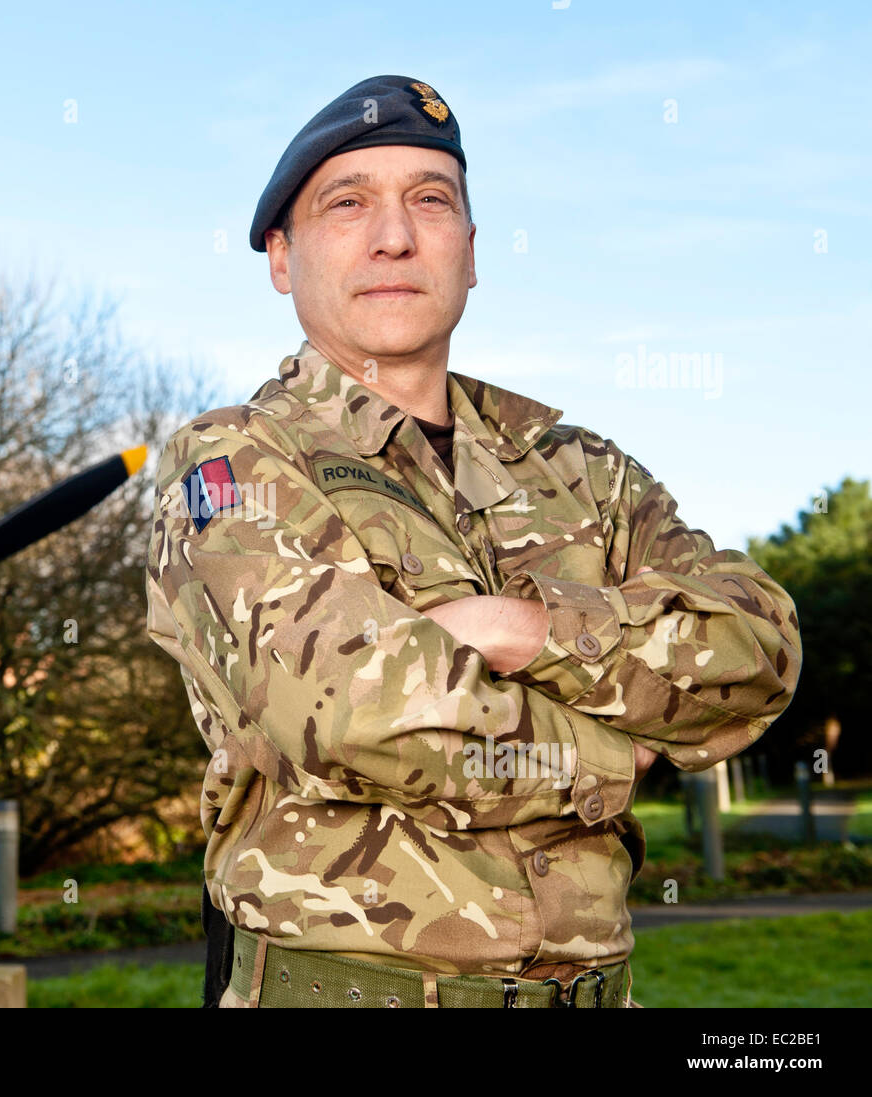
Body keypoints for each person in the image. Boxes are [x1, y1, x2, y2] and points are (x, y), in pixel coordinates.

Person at [144, 75, 801, 1008]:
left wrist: (518, 630)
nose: (395, 235)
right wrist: (623, 751)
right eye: (349, 202)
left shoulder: (580, 469)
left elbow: (759, 649)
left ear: (472, 250)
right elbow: (358, 711)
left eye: (430, 199)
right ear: (282, 259)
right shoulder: (232, 463)